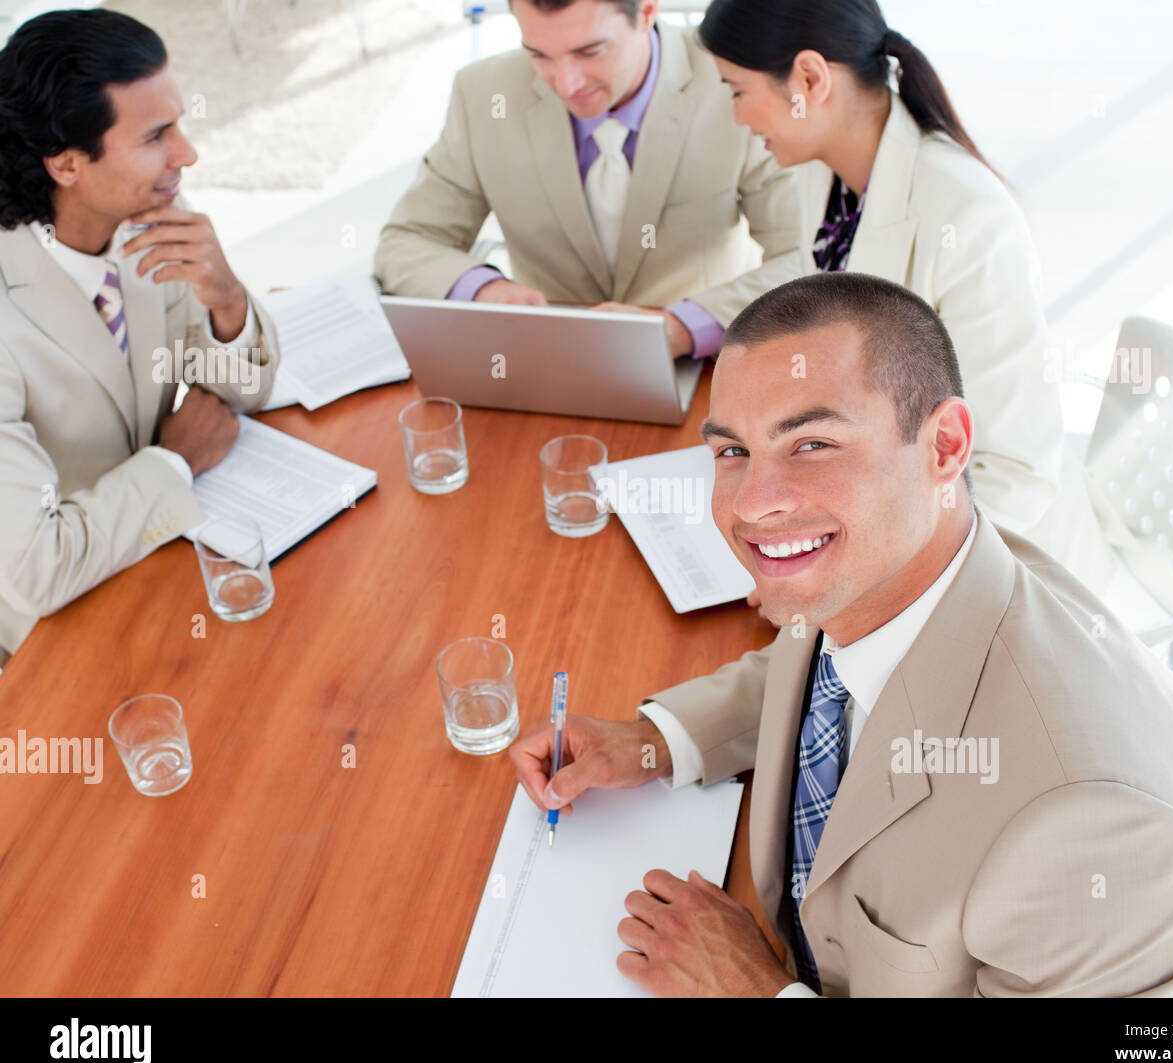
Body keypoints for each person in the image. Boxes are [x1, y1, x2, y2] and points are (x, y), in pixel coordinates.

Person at [510, 273, 1173, 997]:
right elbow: (811, 672)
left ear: (943, 447)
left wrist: (757, 993)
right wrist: (653, 739)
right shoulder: (893, 567)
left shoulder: (1102, 836)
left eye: (812, 445)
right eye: (733, 451)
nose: (754, 505)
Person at [697, 0, 1115, 594]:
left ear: (810, 80)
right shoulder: (829, 173)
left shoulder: (968, 219)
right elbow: (807, 277)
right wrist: (684, 322)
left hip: (993, 570)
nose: (737, 117)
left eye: (736, 91)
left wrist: (868, 582)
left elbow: (1018, 473)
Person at [0, 10, 280, 663]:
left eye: (179, 124)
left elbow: (233, 400)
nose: (187, 154)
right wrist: (174, 461)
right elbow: (35, 570)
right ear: (67, 163)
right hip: (57, 630)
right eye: (158, 135)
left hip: (157, 555)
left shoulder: (145, 222)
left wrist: (226, 300)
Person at [374, 0, 808, 361]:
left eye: (590, 51)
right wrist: (483, 289)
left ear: (646, 12)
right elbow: (405, 242)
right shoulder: (483, 94)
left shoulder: (732, 80)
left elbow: (809, 256)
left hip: (704, 364)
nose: (566, 84)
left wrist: (685, 325)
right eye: (539, 54)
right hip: (545, 362)